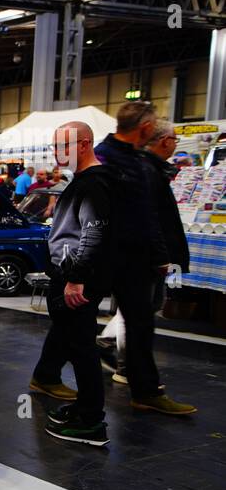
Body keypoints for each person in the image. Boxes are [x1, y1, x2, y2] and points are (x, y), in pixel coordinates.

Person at [94, 101, 194, 415]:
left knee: (138, 323)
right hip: (118, 257)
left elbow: (146, 215)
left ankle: (146, 389)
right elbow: (143, 216)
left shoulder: (129, 160)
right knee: (84, 323)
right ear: (147, 128)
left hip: (128, 258)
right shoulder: (114, 160)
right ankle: (58, 382)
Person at [29, 123, 117, 446]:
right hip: (71, 276)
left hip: (76, 280)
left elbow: (94, 233)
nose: (56, 153)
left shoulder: (93, 183)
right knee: (75, 343)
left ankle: (92, 421)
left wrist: (76, 279)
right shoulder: (84, 181)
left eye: (61, 146)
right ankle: (84, 406)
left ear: (83, 145)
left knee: (82, 349)